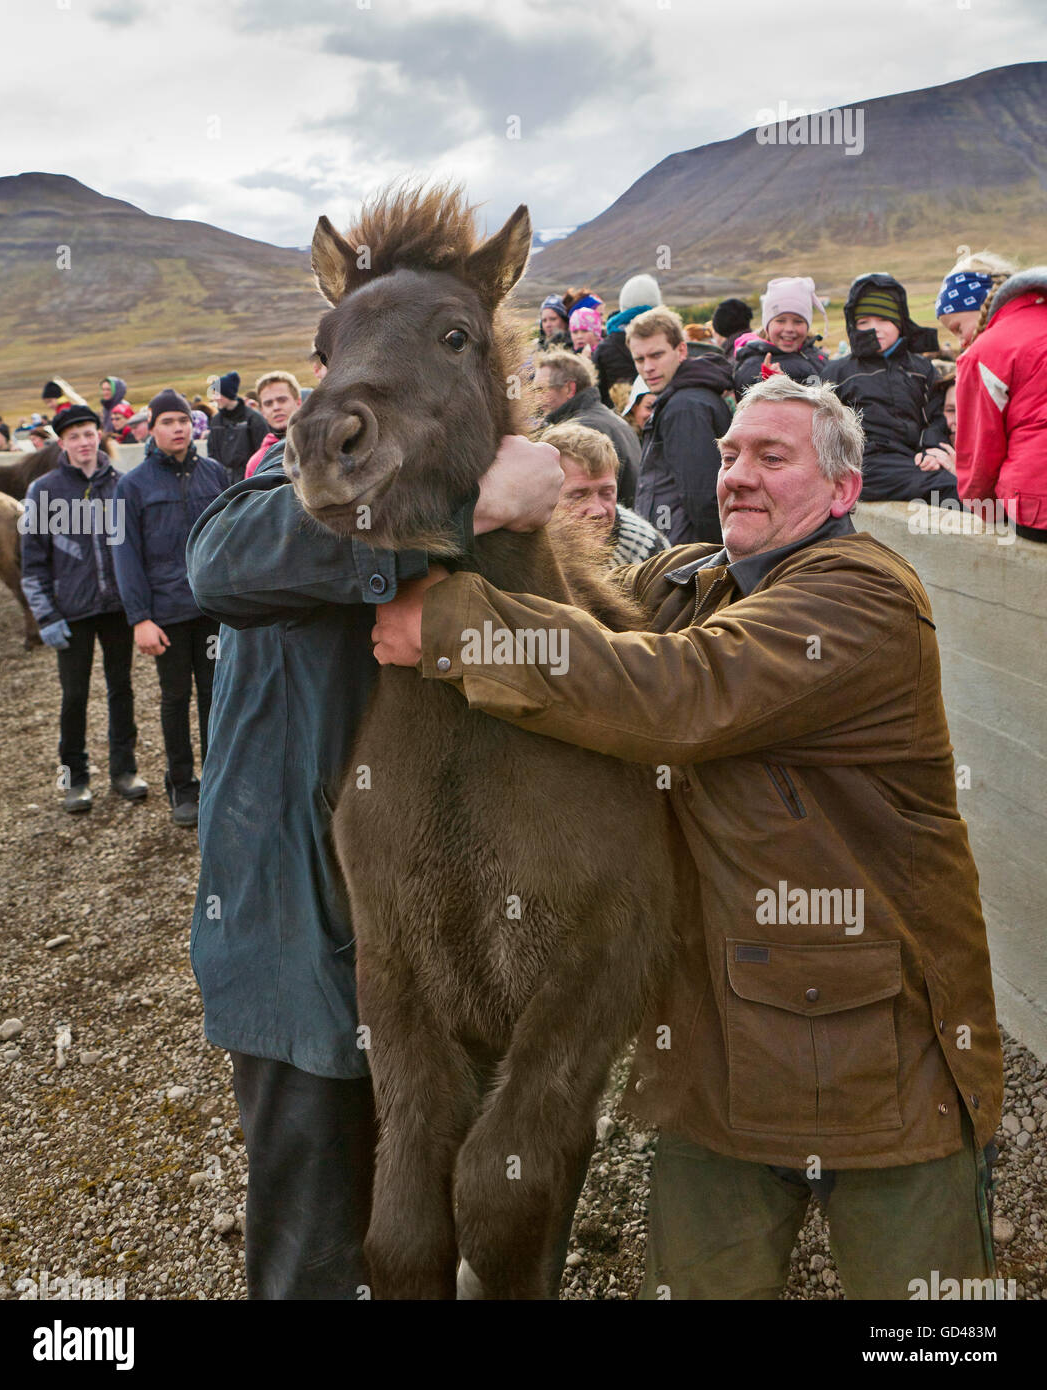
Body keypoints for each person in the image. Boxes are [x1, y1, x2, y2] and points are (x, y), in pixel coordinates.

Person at [373, 373, 1004, 1302]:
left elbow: (680, 692)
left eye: (771, 457)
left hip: (882, 1064)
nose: (738, 475)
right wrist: (476, 500)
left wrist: (455, 625)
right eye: (728, 455)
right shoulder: (696, 578)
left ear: (841, 491)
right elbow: (575, 603)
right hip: (715, 1062)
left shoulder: (860, 600)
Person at [184, 433, 564, 1299]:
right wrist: (469, 509)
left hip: (443, 953)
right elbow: (217, 561)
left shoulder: (480, 468)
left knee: (437, 1232)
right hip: (306, 945)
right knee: (317, 1250)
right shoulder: (291, 486)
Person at [19, 405, 147, 813]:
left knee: (121, 688)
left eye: (89, 433)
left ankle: (124, 770)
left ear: (99, 435)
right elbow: (32, 561)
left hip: (115, 609)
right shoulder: (44, 491)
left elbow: (137, 550)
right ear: (63, 443)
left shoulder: (123, 484)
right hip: (70, 611)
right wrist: (46, 615)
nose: (83, 442)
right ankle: (74, 778)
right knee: (74, 695)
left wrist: (140, 604)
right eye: (74, 436)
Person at [114, 390, 227, 826]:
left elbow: (230, 540)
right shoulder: (133, 485)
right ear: (152, 428)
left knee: (219, 698)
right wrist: (140, 617)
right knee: (176, 699)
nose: (178, 428)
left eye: (183, 420)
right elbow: (125, 555)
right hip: (167, 614)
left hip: (214, 611)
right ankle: (183, 787)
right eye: (168, 422)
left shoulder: (216, 474)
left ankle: (221, 782)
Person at [824, 273, 957, 502]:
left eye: (883, 320)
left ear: (900, 323)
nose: (874, 329)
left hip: (913, 462)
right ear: (853, 326)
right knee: (954, 490)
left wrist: (931, 451)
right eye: (864, 322)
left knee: (963, 485)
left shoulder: (921, 367)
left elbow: (935, 417)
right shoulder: (837, 372)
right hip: (865, 467)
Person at [944, 262, 1047, 541]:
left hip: (1038, 506)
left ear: (981, 307)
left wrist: (986, 510)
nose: (961, 341)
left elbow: (980, 451)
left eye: (957, 327)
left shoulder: (987, 350)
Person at [628, 305, 733, 546]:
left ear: (681, 350)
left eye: (656, 355)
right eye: (639, 359)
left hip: (684, 556)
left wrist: (711, 559)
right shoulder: (680, 399)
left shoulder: (685, 407)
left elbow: (703, 498)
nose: (648, 368)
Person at [542, 421, 669, 568]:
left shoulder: (647, 550)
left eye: (607, 493)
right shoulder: (519, 545)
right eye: (578, 496)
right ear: (543, 494)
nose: (597, 510)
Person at [534, 349, 641, 507]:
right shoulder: (611, 420)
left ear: (569, 389)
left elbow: (589, 498)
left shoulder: (579, 432)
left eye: (542, 390)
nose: (536, 399)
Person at [733, 277, 829, 398]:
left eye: (798, 321)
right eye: (781, 321)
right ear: (767, 326)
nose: (789, 328)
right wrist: (770, 384)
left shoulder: (816, 356)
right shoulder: (753, 366)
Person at [594, 273, 662, 411]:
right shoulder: (668, 340)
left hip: (616, 422)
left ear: (622, 305)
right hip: (661, 415)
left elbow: (596, 396)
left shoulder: (604, 348)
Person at [206, 371, 269, 486]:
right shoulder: (216, 420)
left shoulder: (254, 419)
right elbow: (212, 452)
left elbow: (264, 453)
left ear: (227, 394)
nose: (214, 398)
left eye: (217, 394)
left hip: (249, 482)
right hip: (222, 482)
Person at [244, 371, 302, 479]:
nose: (276, 407)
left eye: (282, 400)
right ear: (262, 411)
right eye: (268, 403)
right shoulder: (256, 462)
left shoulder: (320, 446)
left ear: (298, 402)